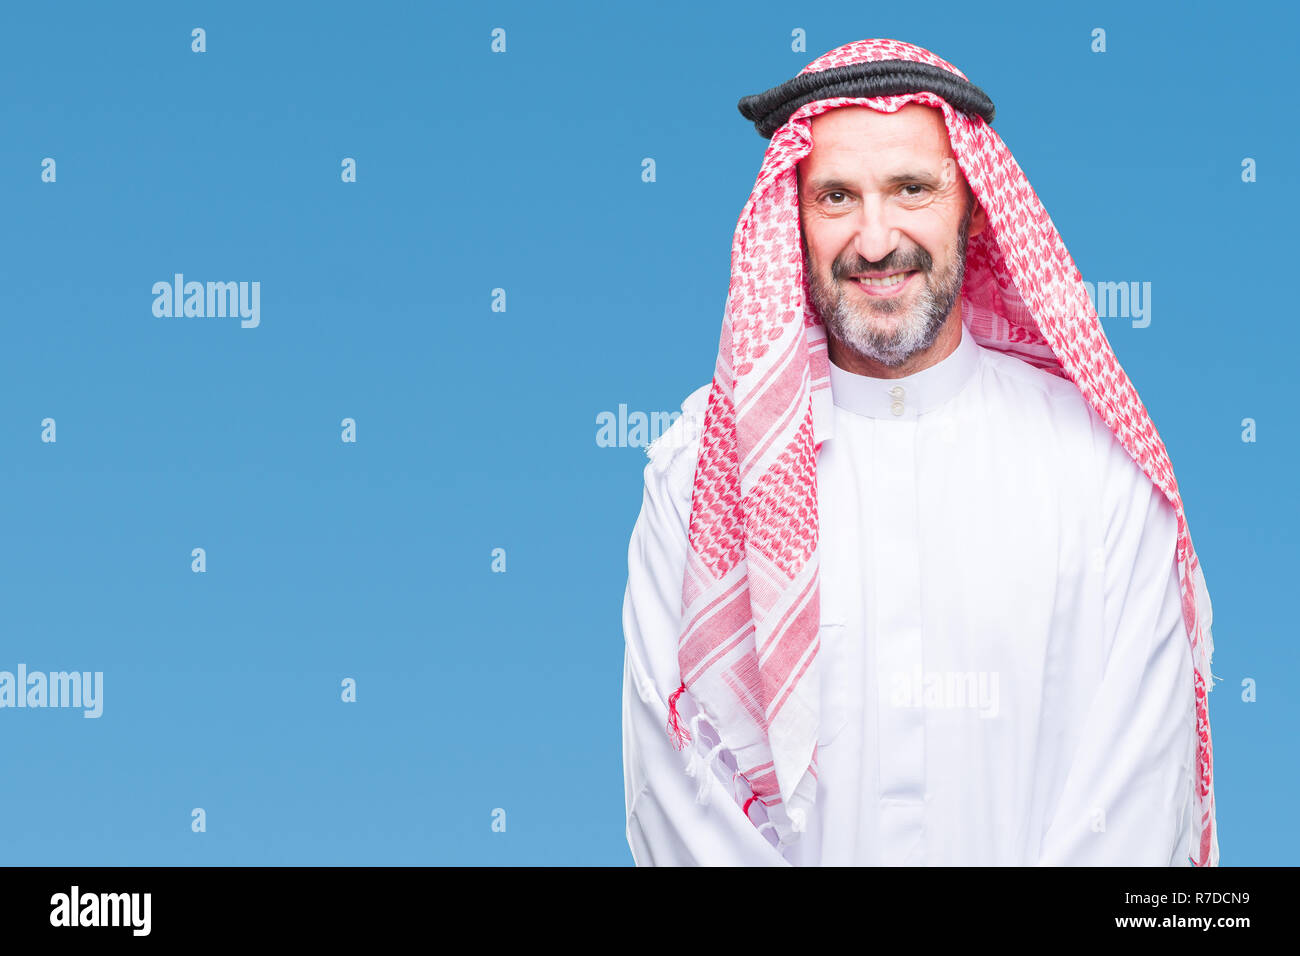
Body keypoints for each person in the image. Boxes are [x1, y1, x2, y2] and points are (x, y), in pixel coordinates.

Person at [620, 39, 1219, 866]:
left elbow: (1138, 801)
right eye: (836, 196)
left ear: (974, 206)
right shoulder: (699, 478)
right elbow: (680, 794)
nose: (875, 240)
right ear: (792, 221)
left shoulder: (1100, 471)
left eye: (911, 188)